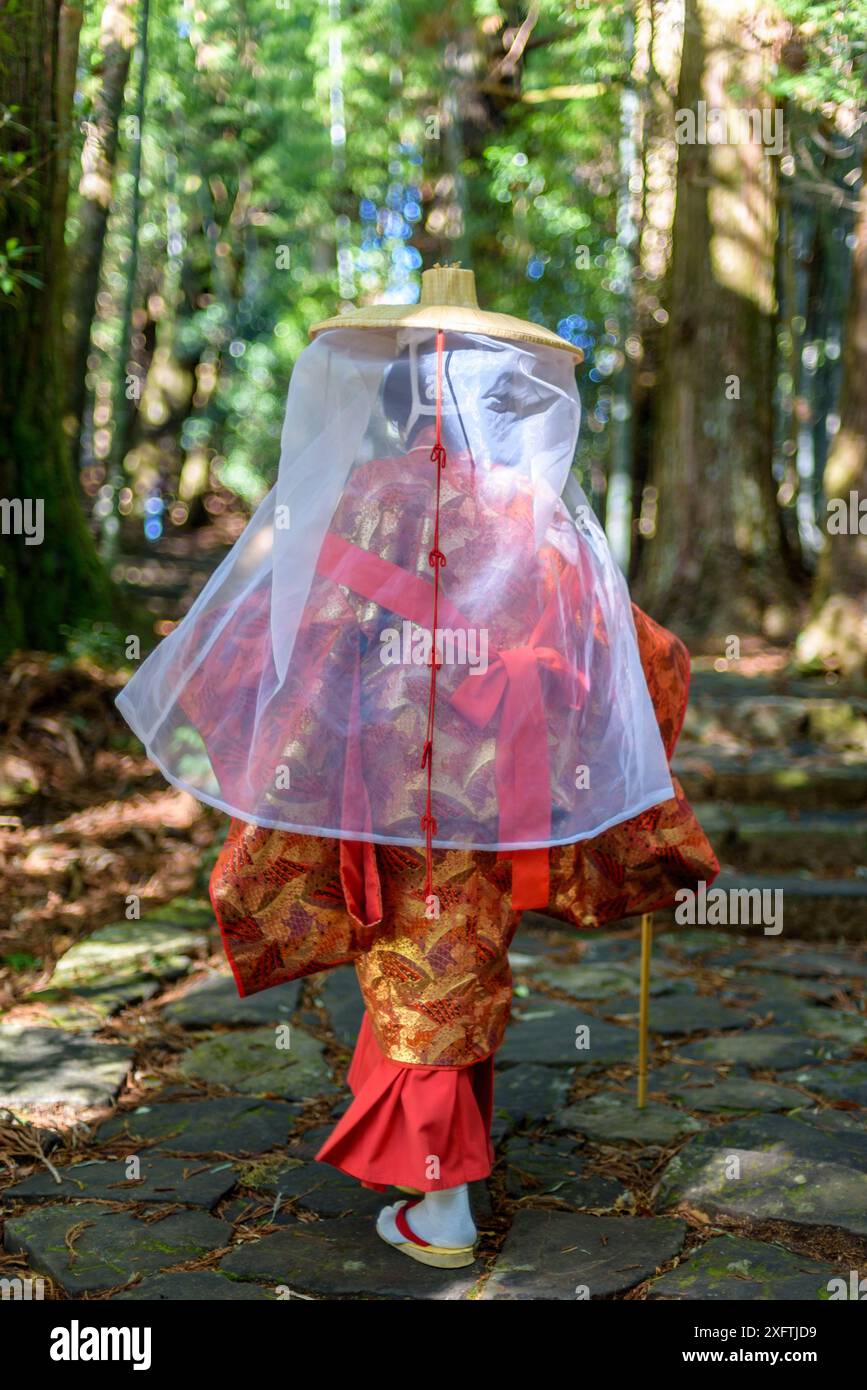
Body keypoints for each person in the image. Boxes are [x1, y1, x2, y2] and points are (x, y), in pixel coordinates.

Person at [117, 266, 719, 1268]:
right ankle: (441, 1164)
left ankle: (443, 1204)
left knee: (419, 967)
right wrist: (656, 683)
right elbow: (614, 643)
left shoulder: (369, 497)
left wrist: (241, 687)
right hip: (503, 791)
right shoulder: (536, 512)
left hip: (389, 785)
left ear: (400, 393)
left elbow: (318, 635)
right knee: (461, 957)